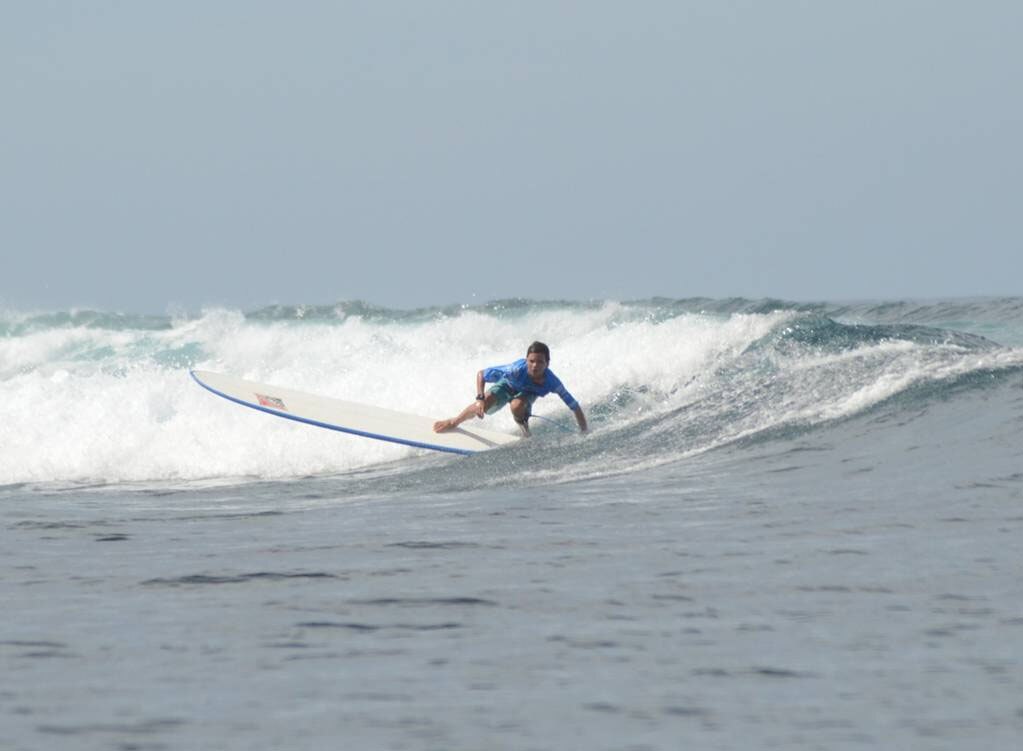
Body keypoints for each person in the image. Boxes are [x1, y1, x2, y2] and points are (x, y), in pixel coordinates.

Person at [433, 341, 588, 436]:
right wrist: (480, 399)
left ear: (547, 363)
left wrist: (584, 431)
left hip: (528, 393)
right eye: (531, 361)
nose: (535, 366)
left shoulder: (552, 382)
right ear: (526, 360)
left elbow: (574, 406)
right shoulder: (514, 370)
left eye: (540, 362)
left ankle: (525, 433)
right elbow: (481, 374)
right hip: (507, 385)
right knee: (484, 403)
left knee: (516, 405)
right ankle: (454, 421)